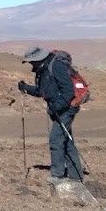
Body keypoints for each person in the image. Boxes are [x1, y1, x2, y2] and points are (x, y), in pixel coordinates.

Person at [18, 46, 83, 184]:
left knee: (56, 139)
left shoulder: (56, 66)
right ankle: (76, 175)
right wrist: (26, 88)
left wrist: (56, 106)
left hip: (67, 108)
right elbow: (42, 91)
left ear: (37, 59)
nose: (30, 64)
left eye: (31, 61)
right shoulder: (42, 70)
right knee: (67, 141)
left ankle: (57, 174)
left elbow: (68, 91)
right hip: (58, 109)